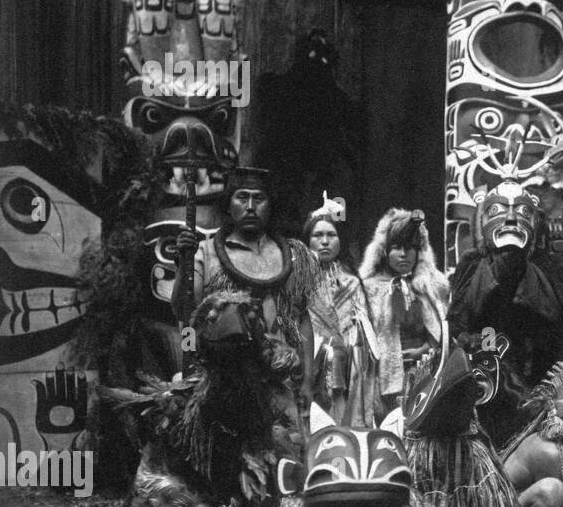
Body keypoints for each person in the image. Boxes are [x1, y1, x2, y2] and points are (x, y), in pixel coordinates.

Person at [174, 166, 320, 433]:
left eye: (259, 198)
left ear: (270, 204)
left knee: (286, 462)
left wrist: (308, 382)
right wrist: (183, 265)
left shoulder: (294, 256)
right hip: (225, 385)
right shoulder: (206, 254)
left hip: (281, 385)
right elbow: (185, 315)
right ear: (229, 205)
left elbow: (303, 320)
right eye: (242, 197)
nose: (251, 206)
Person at [360, 208, 449, 419]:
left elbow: (442, 331)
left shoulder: (430, 286)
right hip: (385, 382)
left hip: (426, 374)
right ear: (383, 251)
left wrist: (425, 350)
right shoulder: (369, 289)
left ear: (419, 252)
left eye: (410, 248)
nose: (403, 254)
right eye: (396, 248)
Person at [304, 196, 377, 426]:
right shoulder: (297, 283)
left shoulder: (352, 283)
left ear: (340, 241)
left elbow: (365, 331)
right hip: (309, 366)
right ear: (307, 241)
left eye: (331, 235)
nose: (325, 242)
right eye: (318, 235)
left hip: (348, 369)